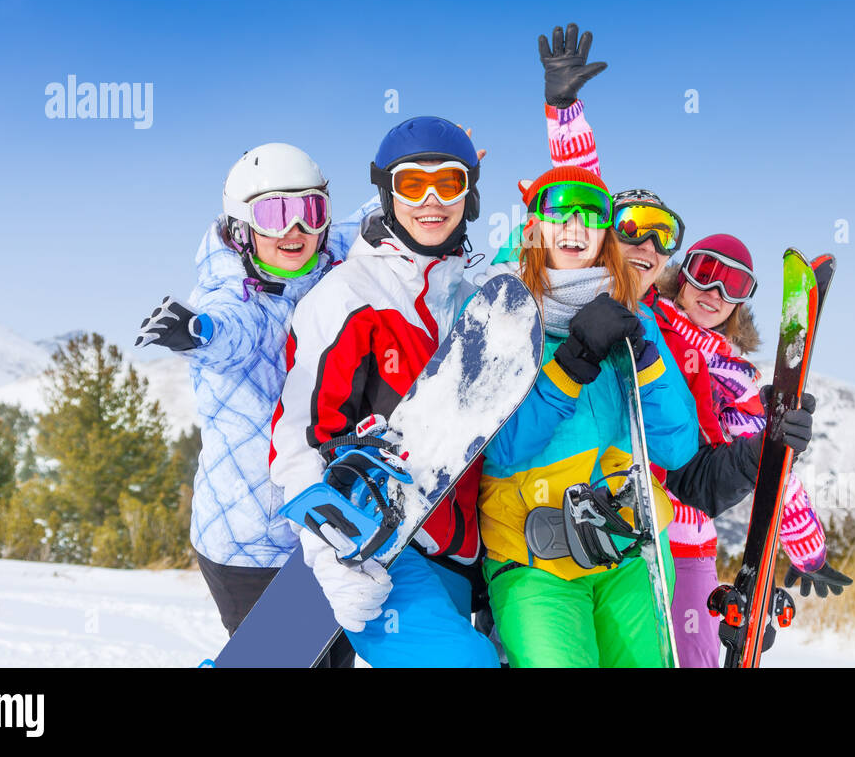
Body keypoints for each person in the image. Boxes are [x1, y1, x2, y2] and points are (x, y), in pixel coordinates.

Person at [534, 23, 849, 667]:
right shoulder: (638, 309)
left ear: (741, 301)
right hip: (604, 520)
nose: (713, 290)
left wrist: (807, 546)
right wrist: (565, 110)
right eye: (704, 271)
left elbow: (768, 454)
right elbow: (587, 197)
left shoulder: (731, 368)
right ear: (682, 275)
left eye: (732, 285)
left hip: (687, 534)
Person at [269, 116, 500, 668]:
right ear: (385, 193)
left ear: (469, 193)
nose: (430, 200)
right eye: (410, 184)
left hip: (464, 547)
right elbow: (297, 444)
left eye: (447, 183)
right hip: (380, 546)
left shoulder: (481, 297)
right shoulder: (347, 298)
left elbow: (574, 242)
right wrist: (332, 551)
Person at [134, 143, 370, 658]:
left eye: (310, 211)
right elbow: (237, 333)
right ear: (242, 227)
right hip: (249, 542)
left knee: (327, 657)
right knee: (281, 656)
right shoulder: (237, 296)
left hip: (319, 527)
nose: (295, 230)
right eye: (274, 214)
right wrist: (199, 332)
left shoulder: (327, 259)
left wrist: (429, 169)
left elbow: (363, 222)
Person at [477, 164, 699, 667]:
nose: (575, 226)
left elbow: (676, 447)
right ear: (533, 228)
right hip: (535, 557)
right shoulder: (499, 310)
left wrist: (645, 361)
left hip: (630, 549)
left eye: (591, 214)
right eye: (559, 211)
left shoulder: (633, 318)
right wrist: (570, 364)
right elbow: (497, 452)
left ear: (604, 235)